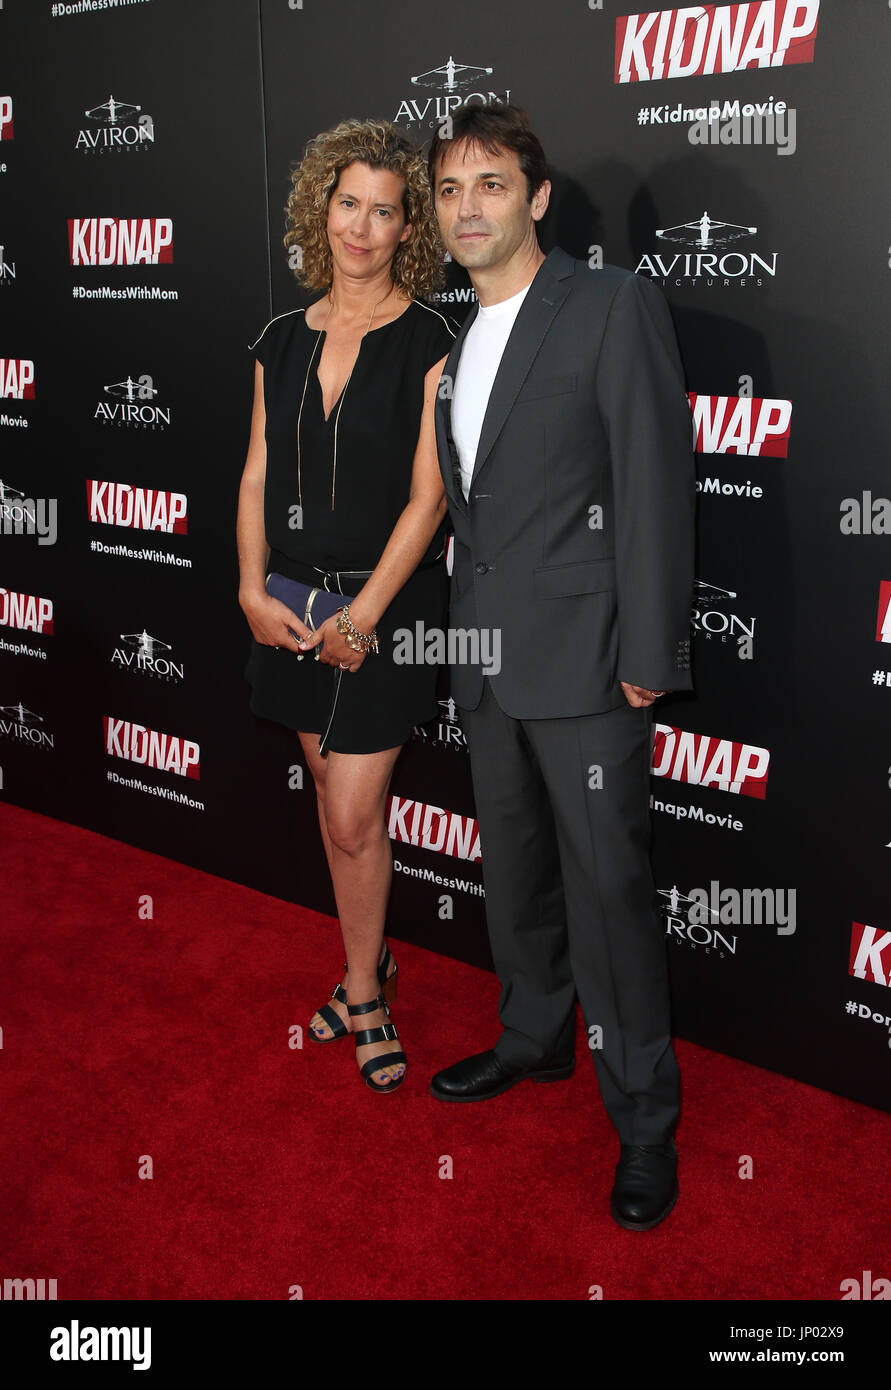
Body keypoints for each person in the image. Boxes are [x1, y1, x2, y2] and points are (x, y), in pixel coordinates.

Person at [427, 103, 695, 1229]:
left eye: (490, 184)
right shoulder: (456, 338)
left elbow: (652, 483)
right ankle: (535, 1036)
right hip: (486, 665)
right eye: (449, 191)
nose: (467, 207)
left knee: (610, 899)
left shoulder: (609, 303)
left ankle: (644, 1120)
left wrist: (648, 653)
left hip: (589, 668)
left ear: (536, 200)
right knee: (518, 875)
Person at [237, 118, 458, 1093]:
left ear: (407, 225)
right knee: (335, 813)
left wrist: (365, 614)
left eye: (383, 210)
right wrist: (249, 587)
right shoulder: (281, 339)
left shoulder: (431, 338)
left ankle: (364, 991)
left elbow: (432, 496)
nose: (361, 228)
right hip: (289, 604)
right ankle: (367, 964)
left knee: (356, 810)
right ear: (318, 209)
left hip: (390, 608)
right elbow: (252, 479)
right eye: (347, 204)